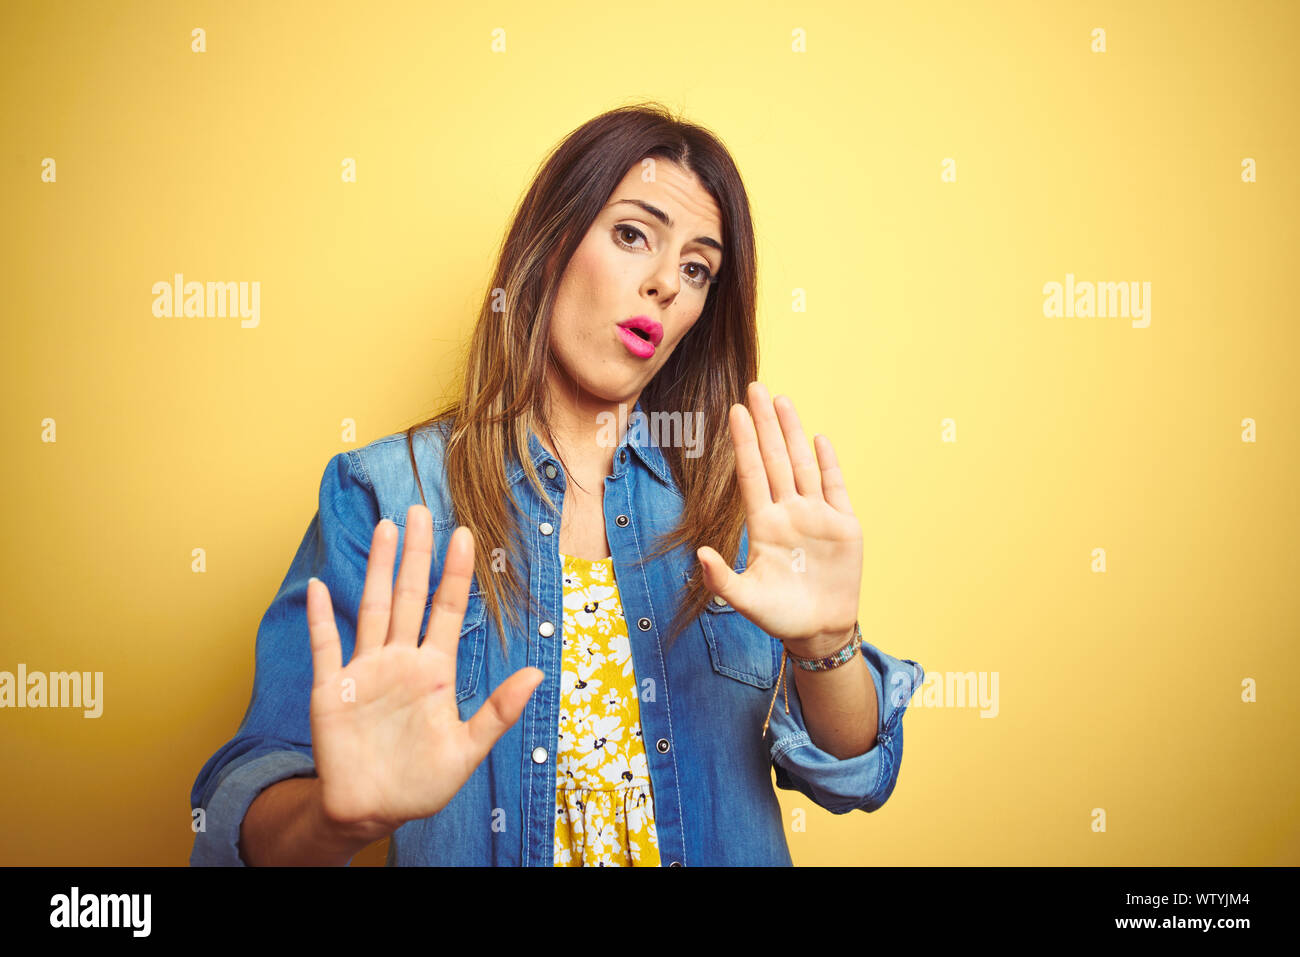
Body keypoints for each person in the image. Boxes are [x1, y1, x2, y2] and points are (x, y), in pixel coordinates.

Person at [189, 102, 925, 867]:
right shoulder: (387, 495)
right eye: (633, 234)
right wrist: (336, 819)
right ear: (551, 247)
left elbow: (855, 774)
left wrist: (826, 643)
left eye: (698, 267)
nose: (667, 282)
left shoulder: (739, 507)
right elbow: (234, 822)